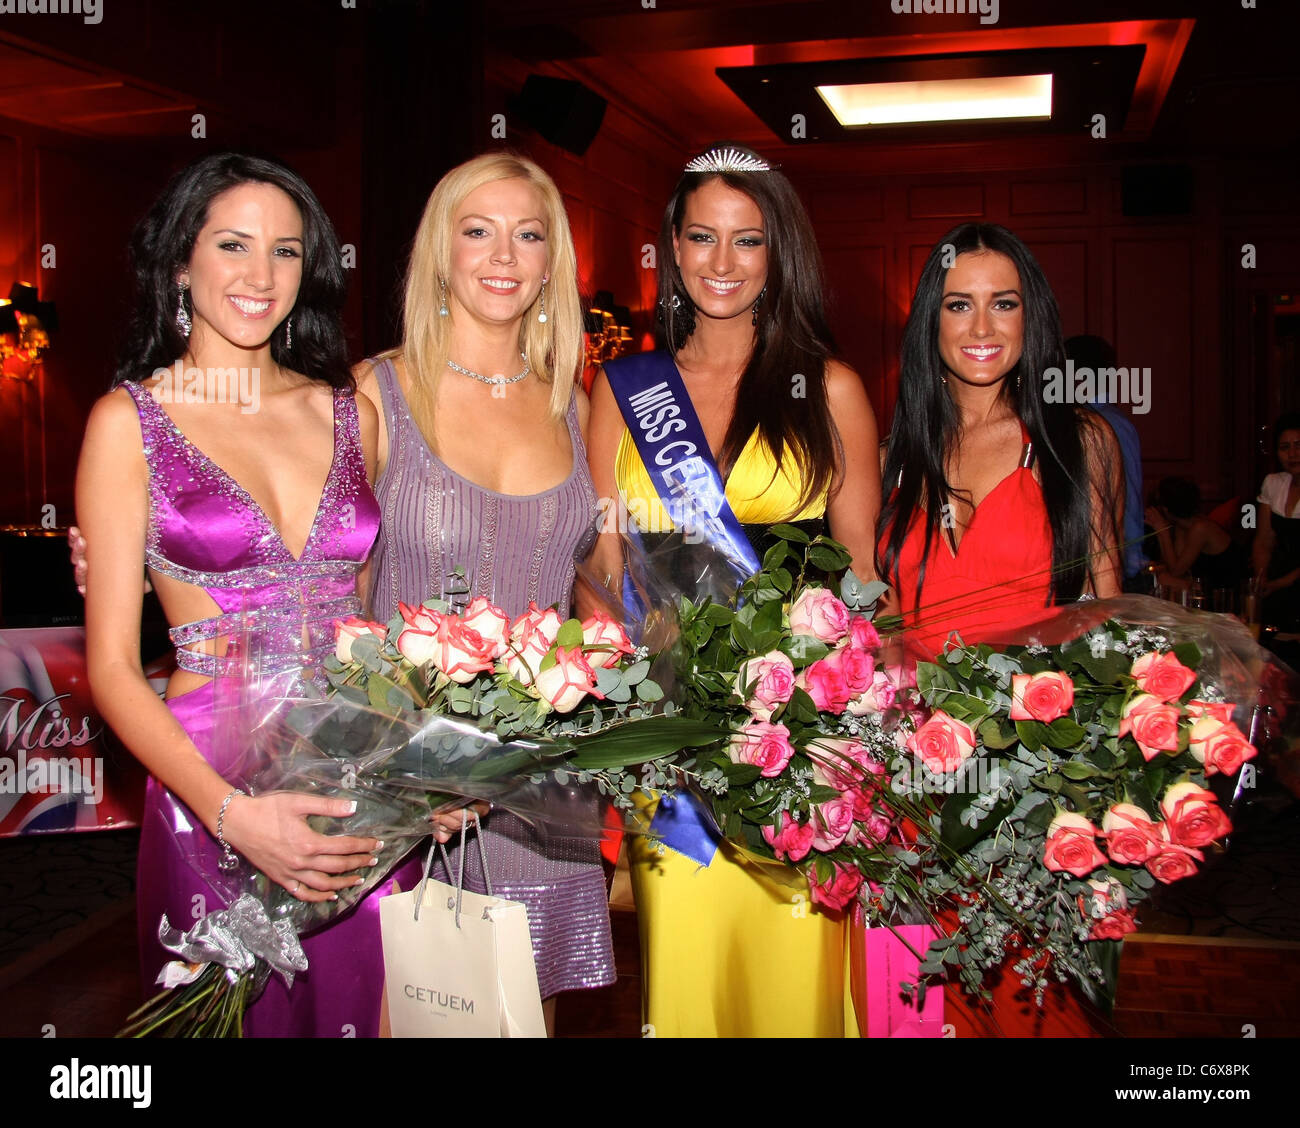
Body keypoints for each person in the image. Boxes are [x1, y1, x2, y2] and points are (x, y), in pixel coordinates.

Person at [75, 152, 421, 1037]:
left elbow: (368, 629)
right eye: (233, 245)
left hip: (359, 785)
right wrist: (232, 816)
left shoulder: (351, 414)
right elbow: (113, 667)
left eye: (286, 251)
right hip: (211, 792)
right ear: (181, 262)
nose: (260, 275)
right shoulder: (129, 423)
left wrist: (428, 764)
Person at [586, 143, 881, 1037]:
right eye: (702, 238)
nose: (722, 263)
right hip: (668, 754)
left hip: (796, 754)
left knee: (793, 992)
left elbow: (864, 574)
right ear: (672, 250)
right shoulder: (622, 388)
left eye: (746, 241)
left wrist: (850, 723)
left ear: (777, 252)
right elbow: (601, 572)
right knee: (687, 988)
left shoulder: (828, 390)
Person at [354, 152, 614, 1023]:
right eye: (478, 231)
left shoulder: (576, 411)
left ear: (551, 265)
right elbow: (336, 611)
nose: (503, 255)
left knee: (516, 1017)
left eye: (528, 234)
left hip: (541, 796)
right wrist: (402, 775)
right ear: (441, 252)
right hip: (409, 802)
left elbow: (602, 597)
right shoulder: (376, 396)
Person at [876, 222, 1123, 1035]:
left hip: (1027, 795)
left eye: (1003, 304)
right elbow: (881, 619)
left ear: (1032, 318)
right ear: (930, 323)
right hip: (906, 794)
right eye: (959, 305)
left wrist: (1102, 789)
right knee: (907, 1012)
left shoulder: (1074, 443)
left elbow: (1106, 623)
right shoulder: (899, 455)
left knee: (1028, 1012)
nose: (982, 328)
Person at [1064, 334, 1146, 586]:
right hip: (1112, 567)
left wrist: (1128, 565)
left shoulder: (1096, 426)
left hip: (1105, 574)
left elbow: (1123, 503)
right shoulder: (1115, 421)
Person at [1146, 476, 1246, 597]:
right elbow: (1174, 566)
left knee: (1165, 580)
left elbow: (1176, 572)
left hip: (1224, 591)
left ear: (1166, 509)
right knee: (1161, 578)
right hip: (1203, 585)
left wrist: (1163, 531)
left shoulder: (1201, 527)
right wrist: (1161, 532)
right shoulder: (1182, 527)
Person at [1253, 412, 1300, 638]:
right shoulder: (1274, 483)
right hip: (1277, 578)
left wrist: (1280, 583)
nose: (1292, 454)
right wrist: (1262, 577)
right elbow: (1264, 540)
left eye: (1298, 445)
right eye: (1285, 447)